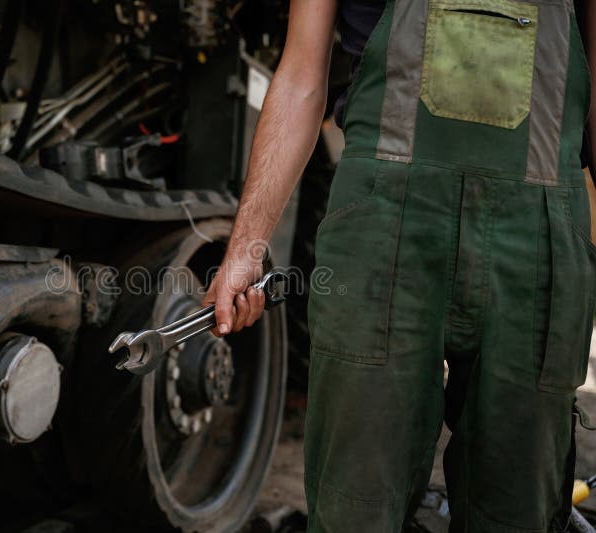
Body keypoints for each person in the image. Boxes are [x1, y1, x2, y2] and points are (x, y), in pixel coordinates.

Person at [202, 0, 596, 530]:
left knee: (519, 506)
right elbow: (300, 75)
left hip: (535, 251)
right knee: (355, 505)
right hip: (382, 237)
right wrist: (247, 244)